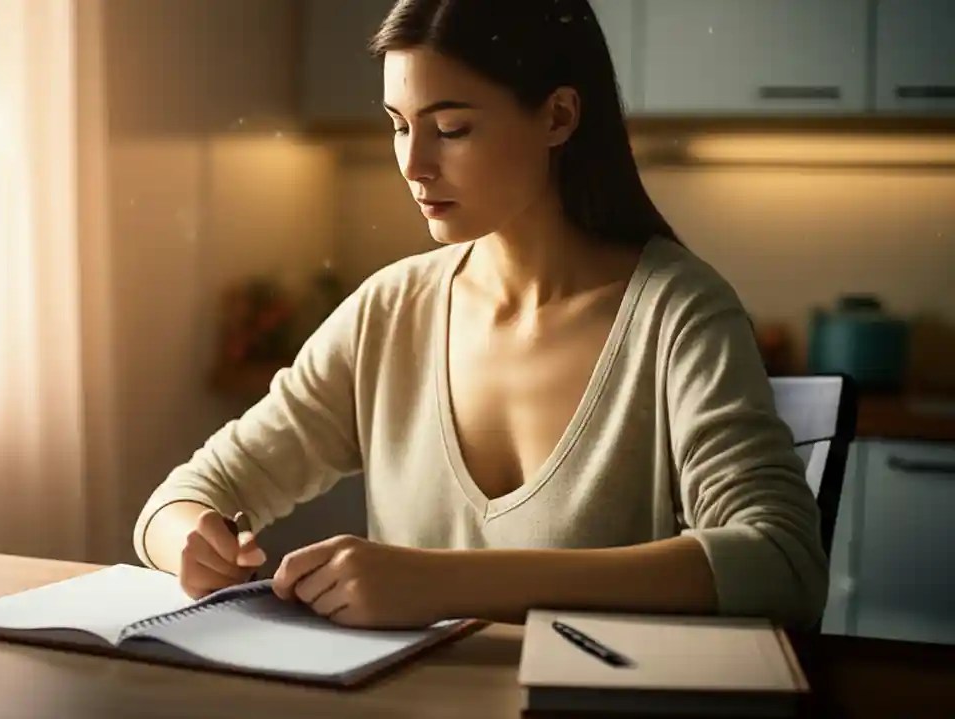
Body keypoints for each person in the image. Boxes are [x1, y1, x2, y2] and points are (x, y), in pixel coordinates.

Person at [132, 0, 827, 631]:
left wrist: (443, 583)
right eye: (399, 127)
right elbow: (185, 498)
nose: (414, 163)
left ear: (559, 116)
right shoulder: (388, 312)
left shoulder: (679, 314)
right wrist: (191, 541)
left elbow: (782, 563)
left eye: (451, 128)